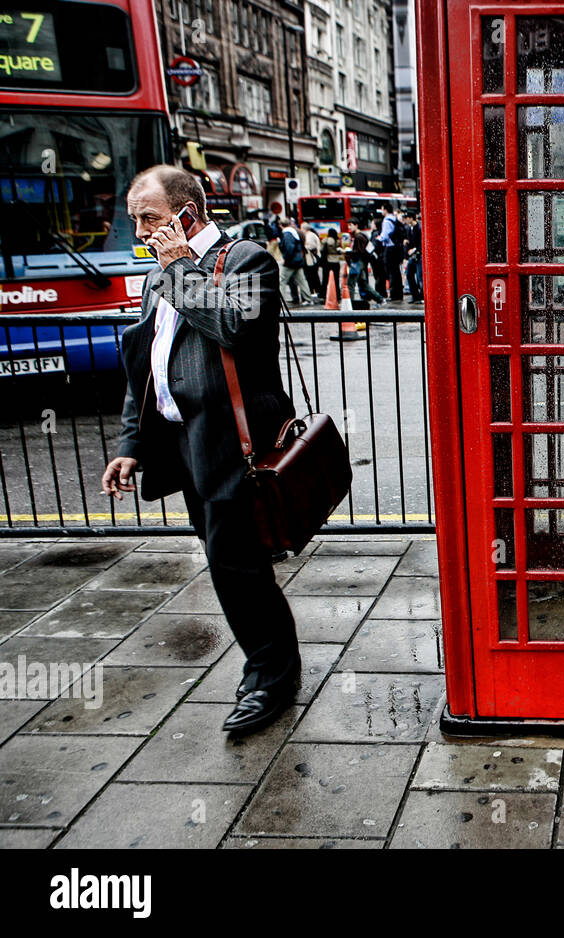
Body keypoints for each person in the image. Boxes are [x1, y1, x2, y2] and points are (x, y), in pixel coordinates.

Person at [101, 164, 301, 736]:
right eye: (136, 220)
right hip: (182, 444)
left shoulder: (245, 261)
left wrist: (178, 267)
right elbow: (146, 368)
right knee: (230, 564)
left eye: (152, 219)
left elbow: (234, 328)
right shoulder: (157, 278)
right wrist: (131, 443)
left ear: (190, 213)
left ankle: (271, 675)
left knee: (236, 566)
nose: (141, 233)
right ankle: (272, 663)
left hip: (233, 446)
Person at [278, 218, 317, 305]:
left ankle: (280, 301)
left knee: (282, 281)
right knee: (302, 281)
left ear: (281, 225)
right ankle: (308, 299)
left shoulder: (287, 234)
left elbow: (289, 248)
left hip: (290, 262)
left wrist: (285, 258)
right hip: (298, 260)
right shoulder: (295, 232)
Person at [346, 218, 384, 305]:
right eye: (348, 225)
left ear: (356, 225)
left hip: (357, 263)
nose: (349, 227)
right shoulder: (362, 235)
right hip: (362, 263)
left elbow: (359, 252)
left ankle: (349, 304)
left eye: (351, 225)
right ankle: (380, 299)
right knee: (363, 284)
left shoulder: (358, 237)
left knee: (350, 284)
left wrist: (347, 252)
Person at [376, 204, 405, 302]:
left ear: (385, 209)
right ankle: (398, 293)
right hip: (397, 248)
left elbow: (384, 235)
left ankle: (393, 294)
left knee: (391, 271)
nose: (381, 211)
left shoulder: (387, 220)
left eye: (382, 209)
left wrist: (379, 238)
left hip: (390, 248)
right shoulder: (394, 218)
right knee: (396, 271)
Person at [403, 212, 422, 302]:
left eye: (407, 218)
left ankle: (421, 297)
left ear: (411, 218)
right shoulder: (409, 229)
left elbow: (421, 243)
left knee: (420, 277)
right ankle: (415, 296)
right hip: (412, 255)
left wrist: (414, 249)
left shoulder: (419, 228)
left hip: (418, 254)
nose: (405, 220)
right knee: (409, 274)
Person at [301, 224, 323, 299]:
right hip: (312, 259)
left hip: (311, 259)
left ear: (304, 229)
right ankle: (317, 291)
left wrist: (304, 247)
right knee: (313, 275)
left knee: (312, 276)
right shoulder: (311, 234)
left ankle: (316, 291)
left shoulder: (309, 235)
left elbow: (311, 246)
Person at [321, 227, 343, 298]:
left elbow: (322, 250)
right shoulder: (338, 241)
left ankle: (324, 293)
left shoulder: (325, 240)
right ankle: (337, 293)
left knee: (325, 278)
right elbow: (340, 251)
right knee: (336, 279)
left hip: (328, 261)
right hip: (336, 261)